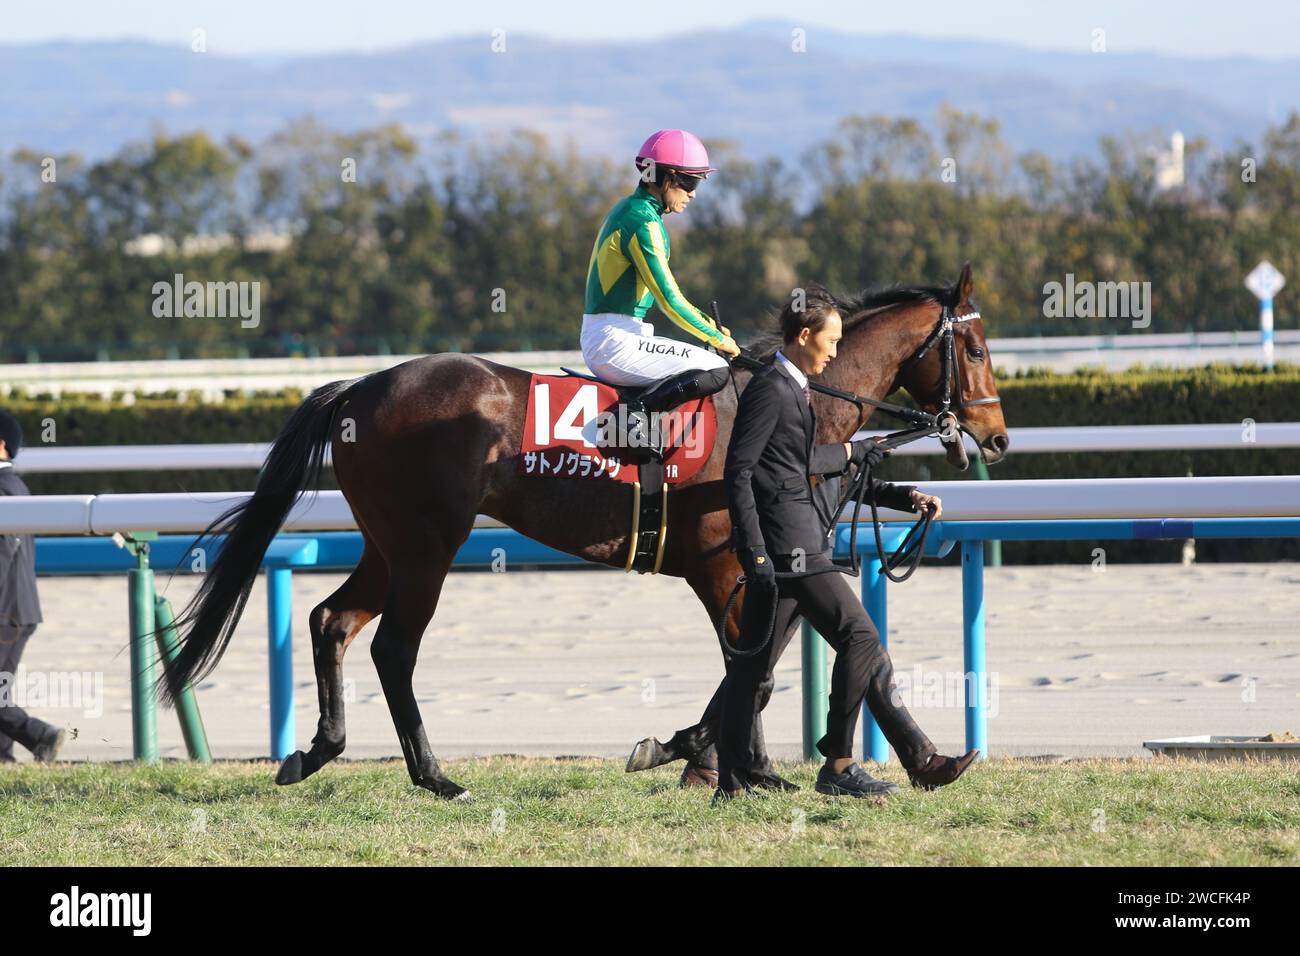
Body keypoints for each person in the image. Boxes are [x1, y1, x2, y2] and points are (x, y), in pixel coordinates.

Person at [717, 284, 977, 800]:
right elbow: (740, 471)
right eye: (831, 341)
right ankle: (837, 764)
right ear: (805, 335)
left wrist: (895, 489)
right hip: (791, 549)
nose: (836, 352)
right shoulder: (772, 388)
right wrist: (756, 551)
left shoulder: (795, 388)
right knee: (860, 637)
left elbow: (803, 467)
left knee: (750, 667)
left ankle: (731, 780)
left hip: (796, 543)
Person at [582, 129, 742, 456]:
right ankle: (634, 414)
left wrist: (711, 328)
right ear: (667, 178)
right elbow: (670, 301)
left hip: (618, 335)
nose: (694, 194)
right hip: (614, 340)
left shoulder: (635, 211)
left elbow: (674, 295)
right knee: (717, 370)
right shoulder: (642, 221)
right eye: (690, 183)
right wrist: (717, 339)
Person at [0, 410, 64, 763]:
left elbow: (2, 552)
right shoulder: (15, 485)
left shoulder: (3, 488)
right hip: (16, 607)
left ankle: (40, 735)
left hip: (6, 609)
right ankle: (4, 759)